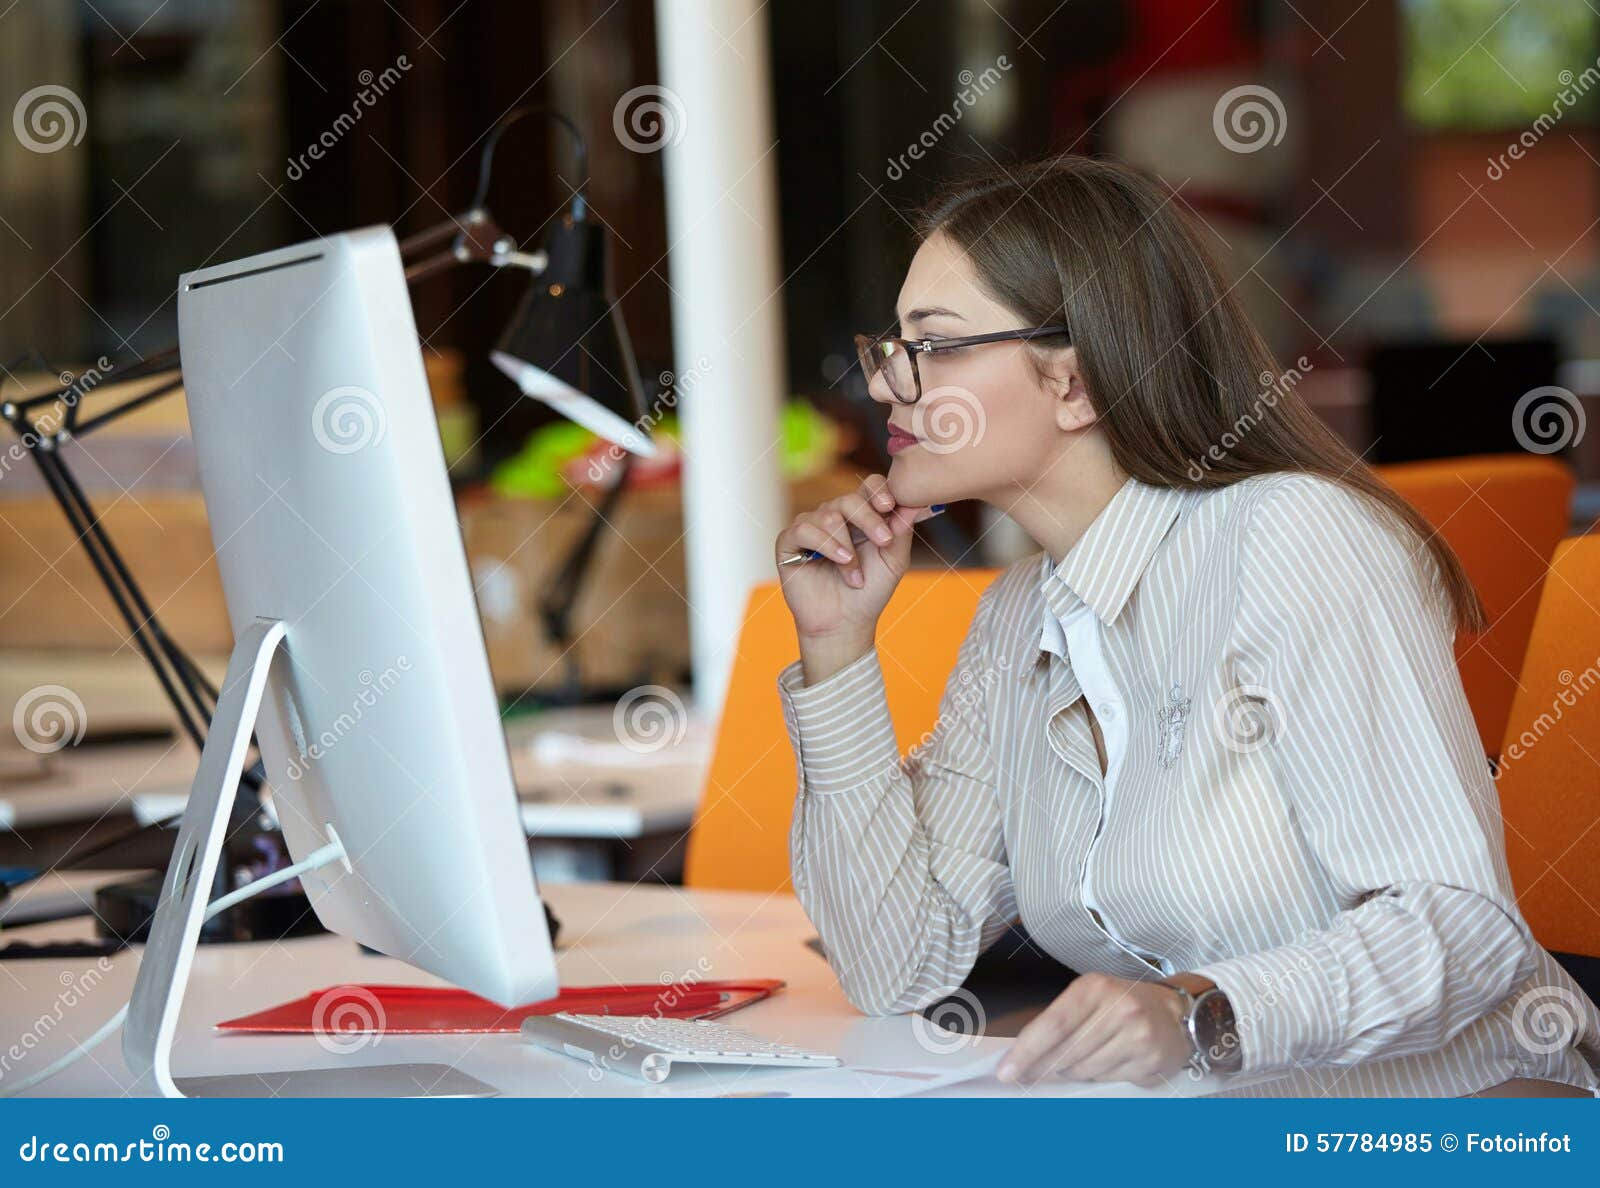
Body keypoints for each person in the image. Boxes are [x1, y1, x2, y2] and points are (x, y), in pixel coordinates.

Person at [772, 154, 1600, 1097]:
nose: (888, 386)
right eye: (892, 347)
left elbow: (1462, 924)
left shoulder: (1290, 536)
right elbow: (896, 969)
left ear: (1077, 384)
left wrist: (1201, 1012)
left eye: (938, 345)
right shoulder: (1014, 622)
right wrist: (836, 652)